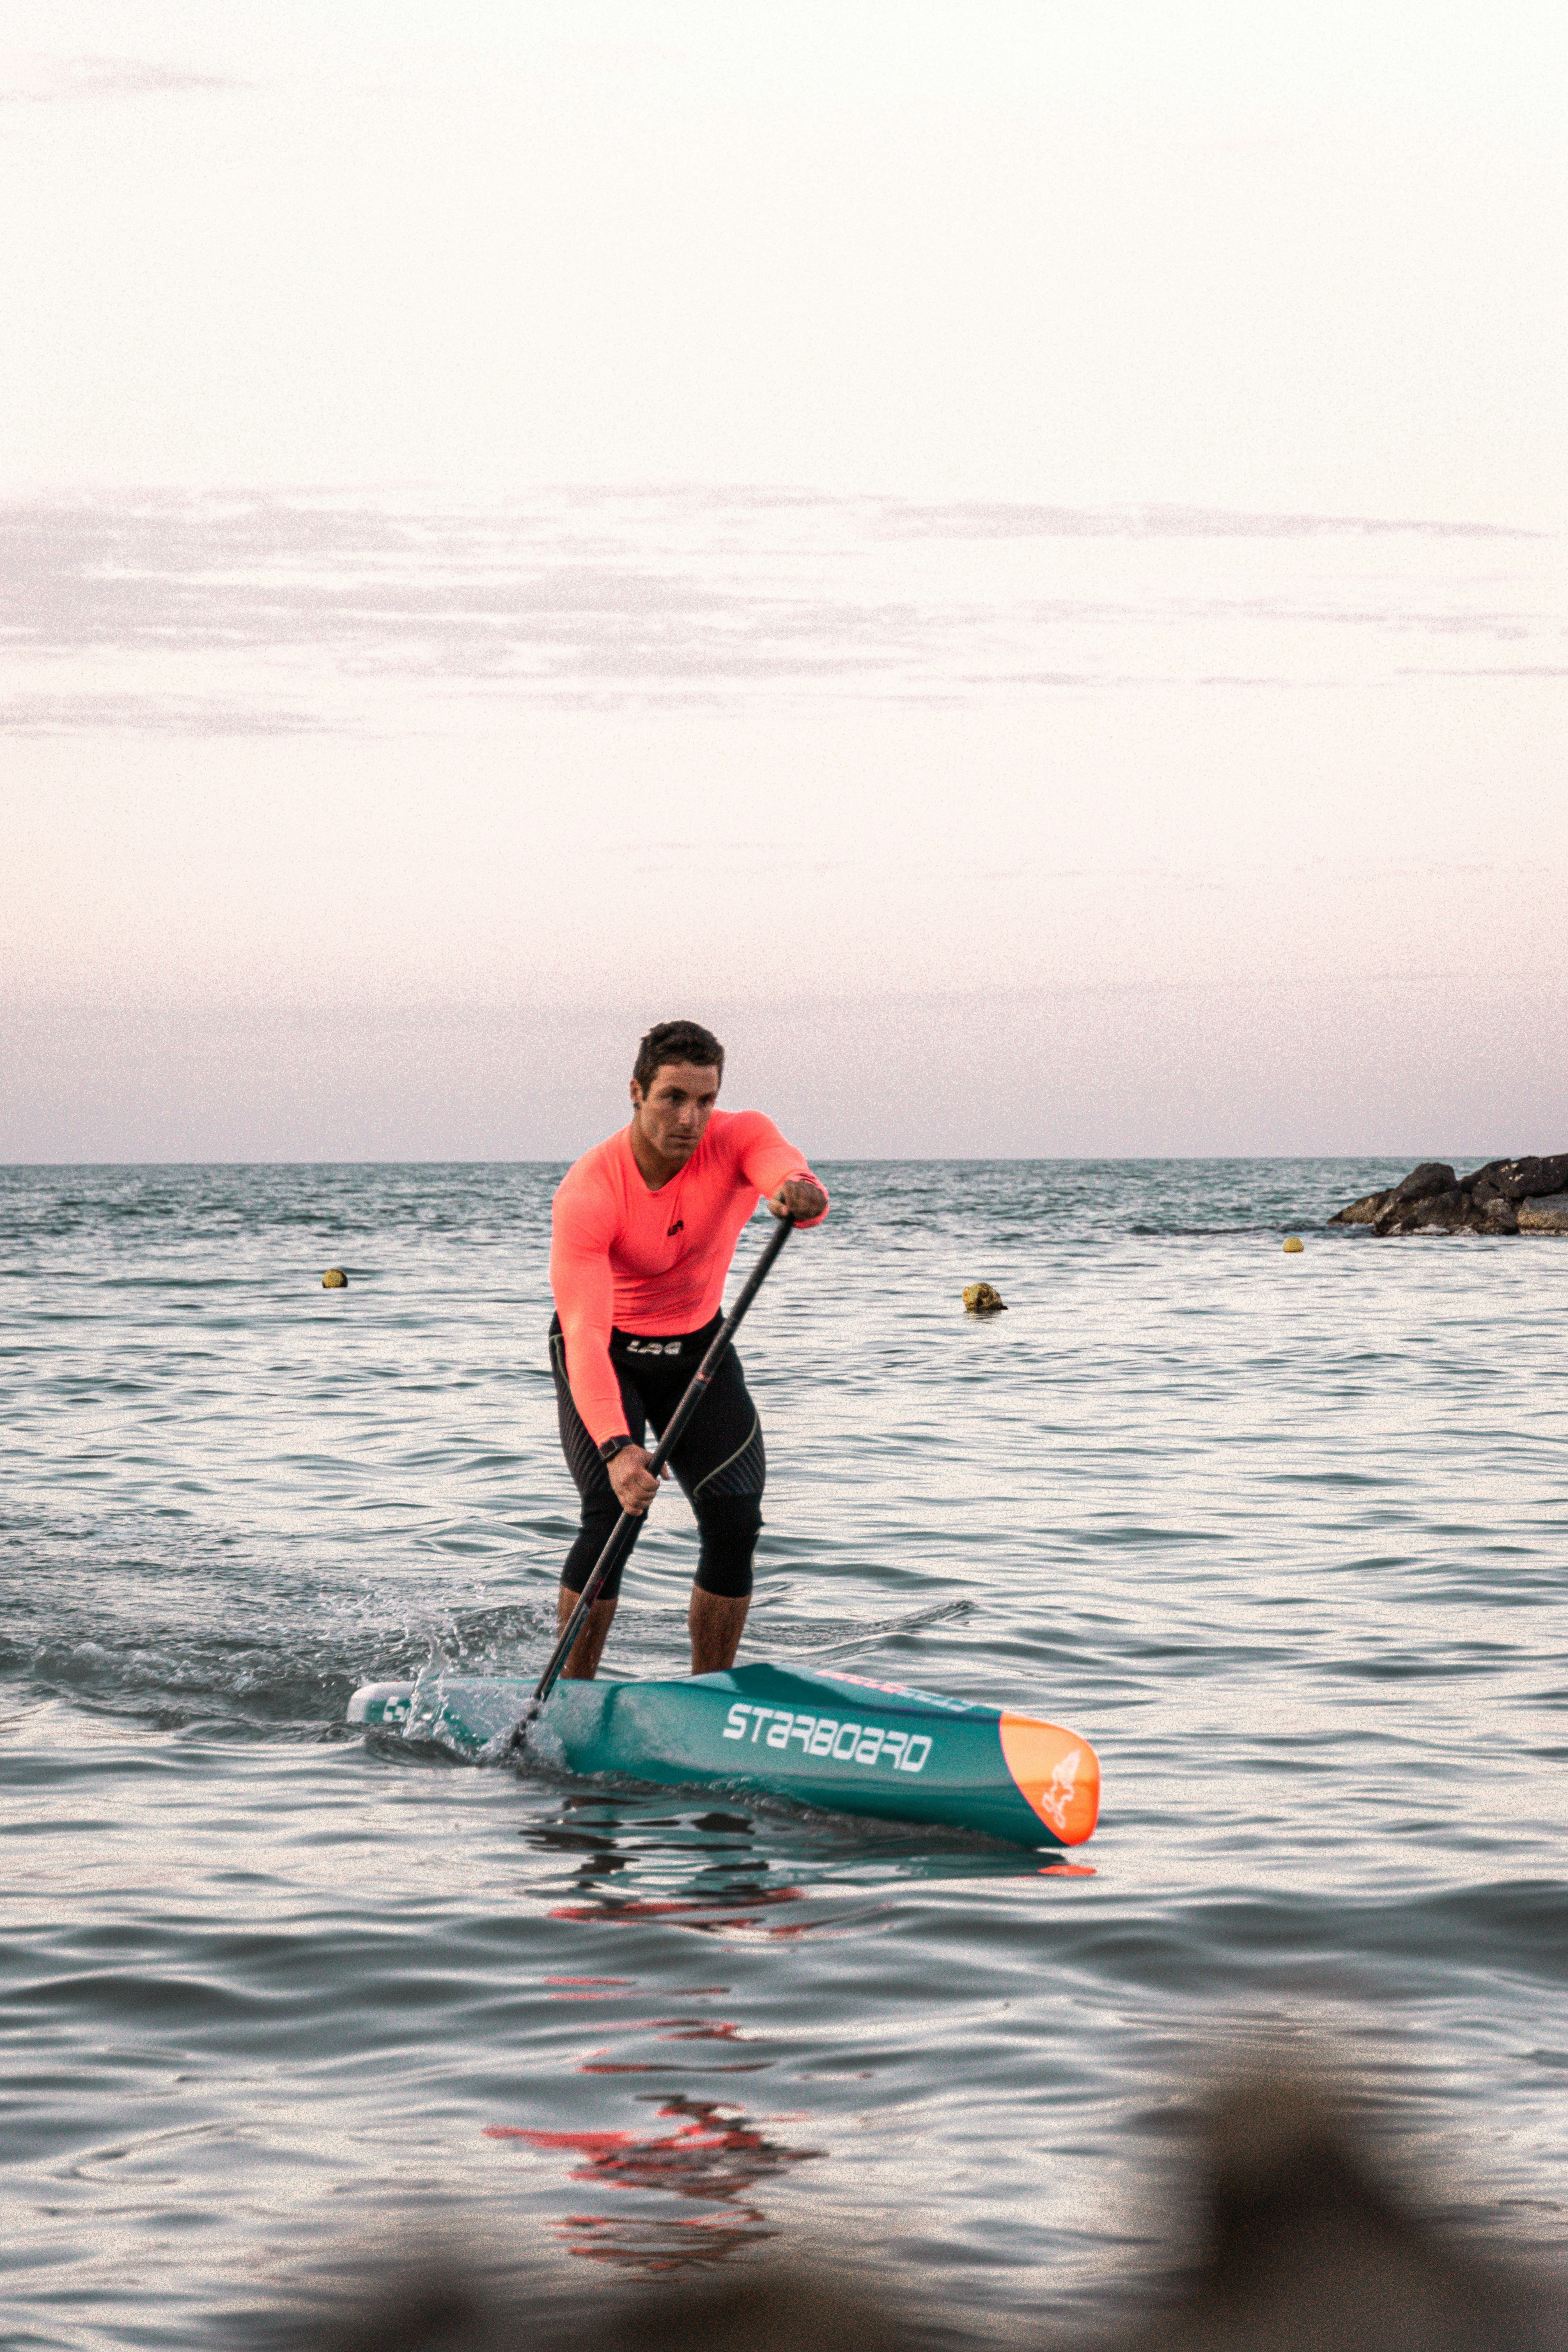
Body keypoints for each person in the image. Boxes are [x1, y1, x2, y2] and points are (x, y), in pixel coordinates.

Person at [548, 1019, 829, 1680]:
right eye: (673, 1097)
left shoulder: (739, 1136)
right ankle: (573, 1696)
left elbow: (788, 1172)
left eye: (705, 1099)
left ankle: (711, 1694)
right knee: (613, 1516)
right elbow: (585, 1334)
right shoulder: (590, 1190)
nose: (691, 1117)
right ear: (637, 1092)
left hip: (698, 1346)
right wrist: (618, 1448)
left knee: (736, 1520)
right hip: (607, 1350)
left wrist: (800, 1192)